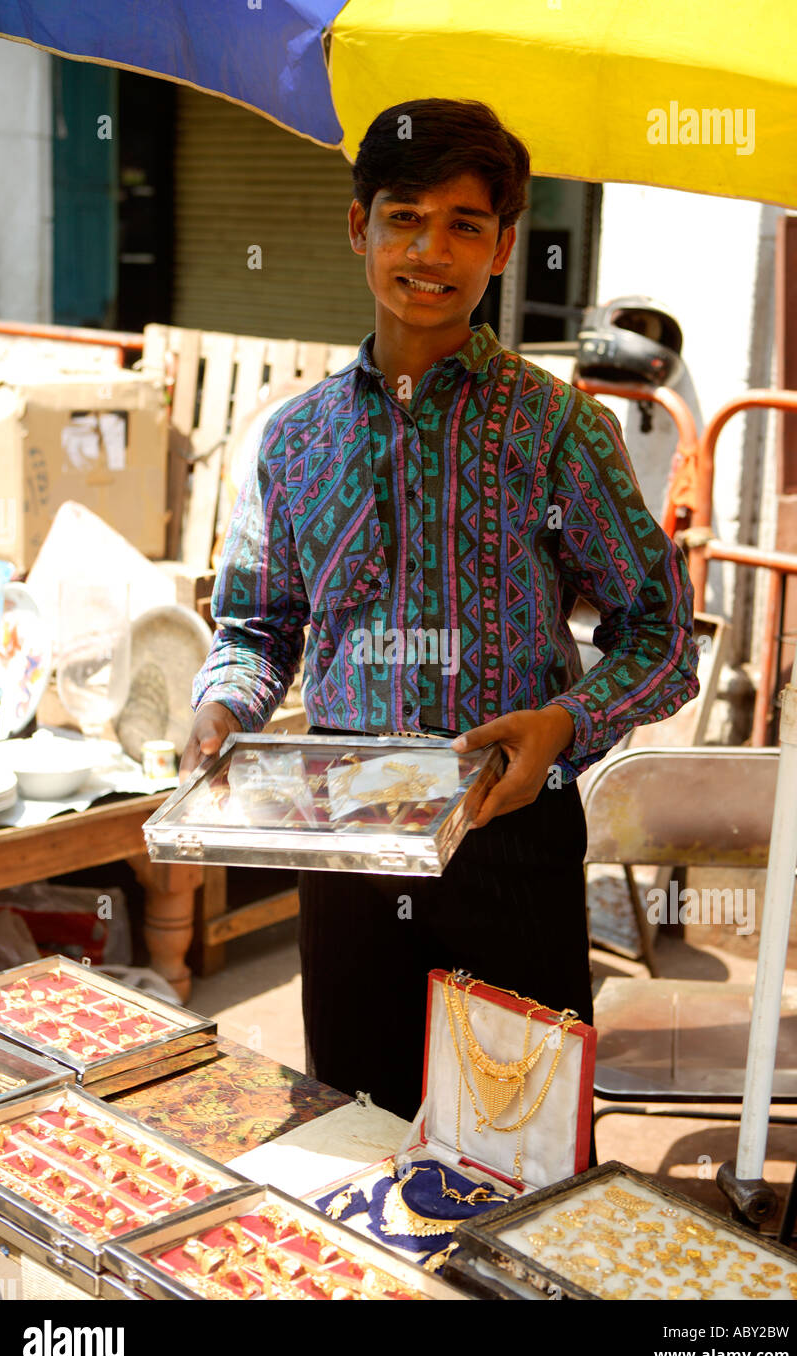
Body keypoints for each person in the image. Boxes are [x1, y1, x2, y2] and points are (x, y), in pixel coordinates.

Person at [184, 97, 700, 1123]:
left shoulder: (559, 429)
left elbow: (661, 630)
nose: (430, 249)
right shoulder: (294, 440)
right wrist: (223, 708)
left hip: (510, 839)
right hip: (340, 849)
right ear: (357, 228)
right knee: (354, 1142)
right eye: (403, 216)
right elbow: (255, 626)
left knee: (520, 1154)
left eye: (464, 223)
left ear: (505, 246)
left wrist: (565, 724)